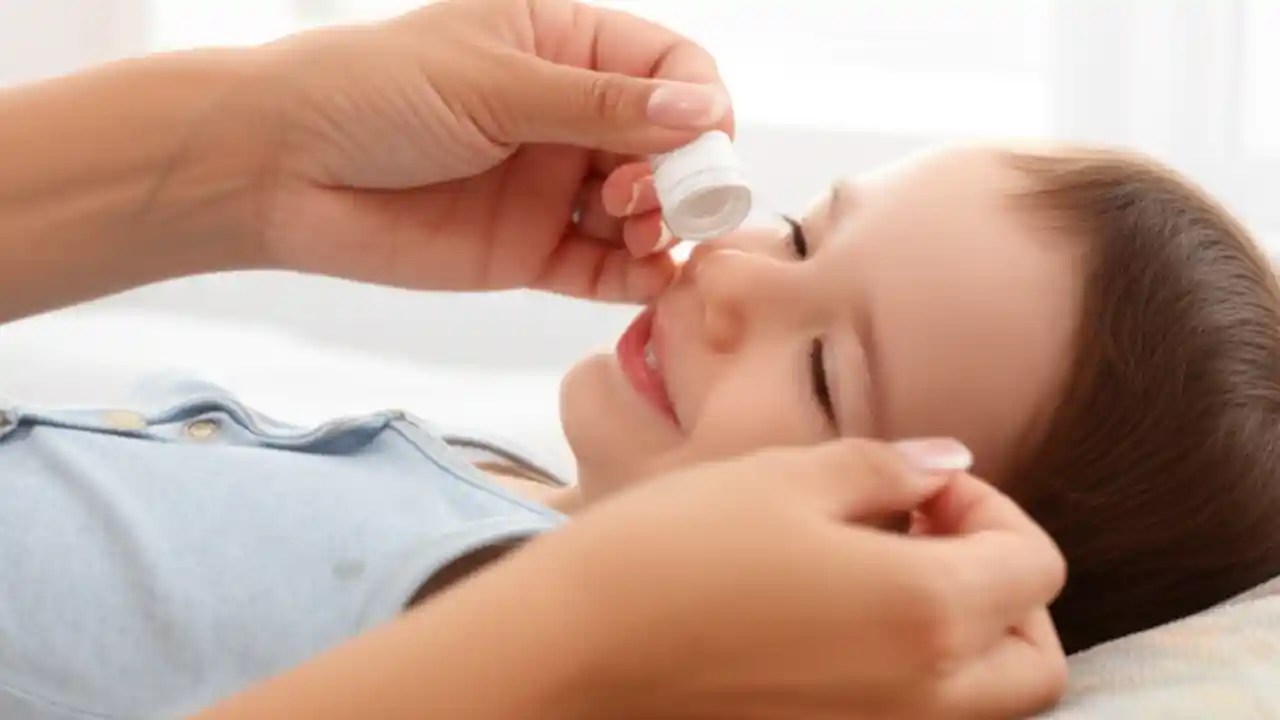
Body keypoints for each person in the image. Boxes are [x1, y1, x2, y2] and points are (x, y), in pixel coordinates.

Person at [0, 1, 1073, 719]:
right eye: (798, 233)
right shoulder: (483, 475)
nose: (736, 278)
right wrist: (258, 157)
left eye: (826, 373)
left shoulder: (511, 642)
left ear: (916, 566)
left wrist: (590, 628)